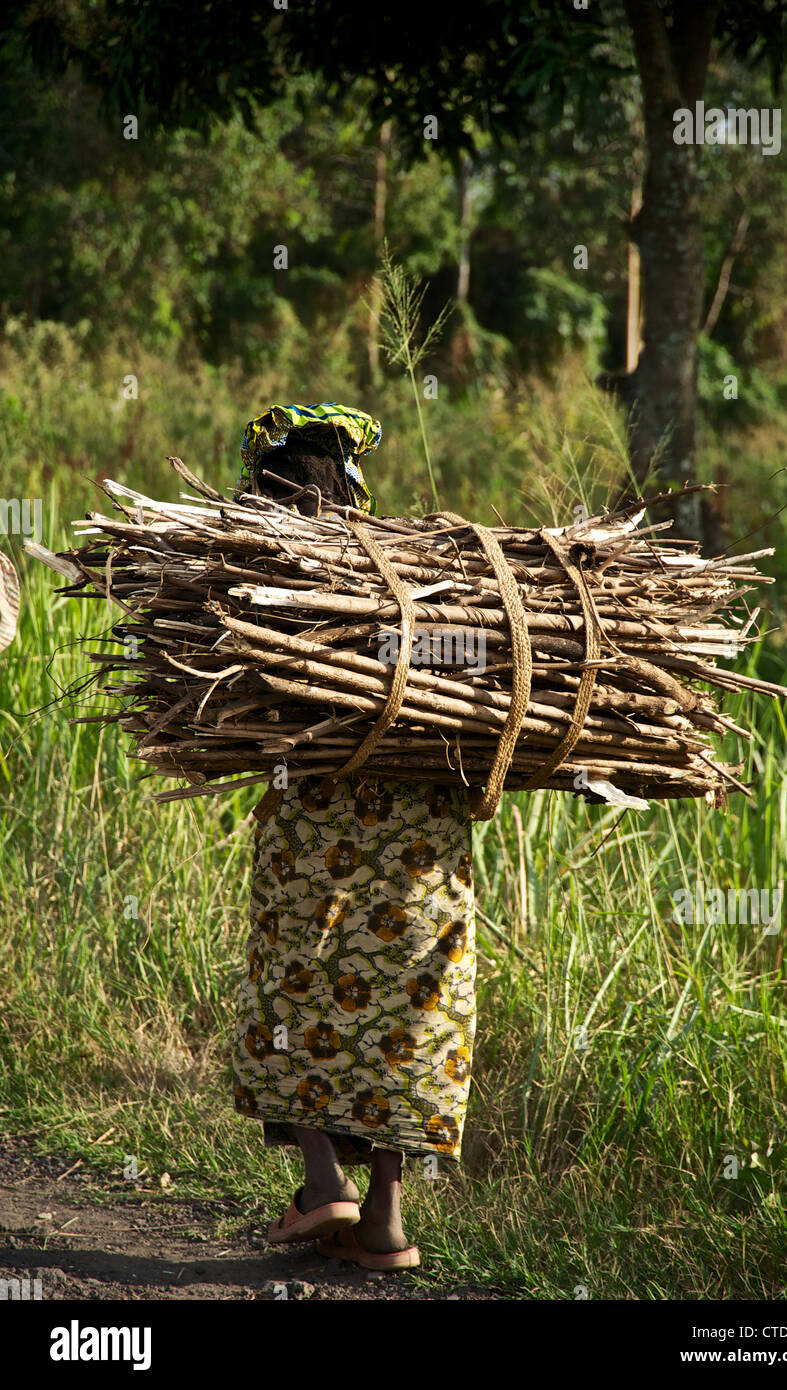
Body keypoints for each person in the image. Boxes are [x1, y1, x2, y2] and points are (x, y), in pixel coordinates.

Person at [230, 404, 477, 1272]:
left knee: (296, 995)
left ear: (260, 485)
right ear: (353, 483)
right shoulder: (419, 578)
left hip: (311, 837)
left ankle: (322, 1174)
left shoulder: (246, 579)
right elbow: (471, 663)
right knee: (404, 1011)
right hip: (423, 848)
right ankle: (382, 1220)